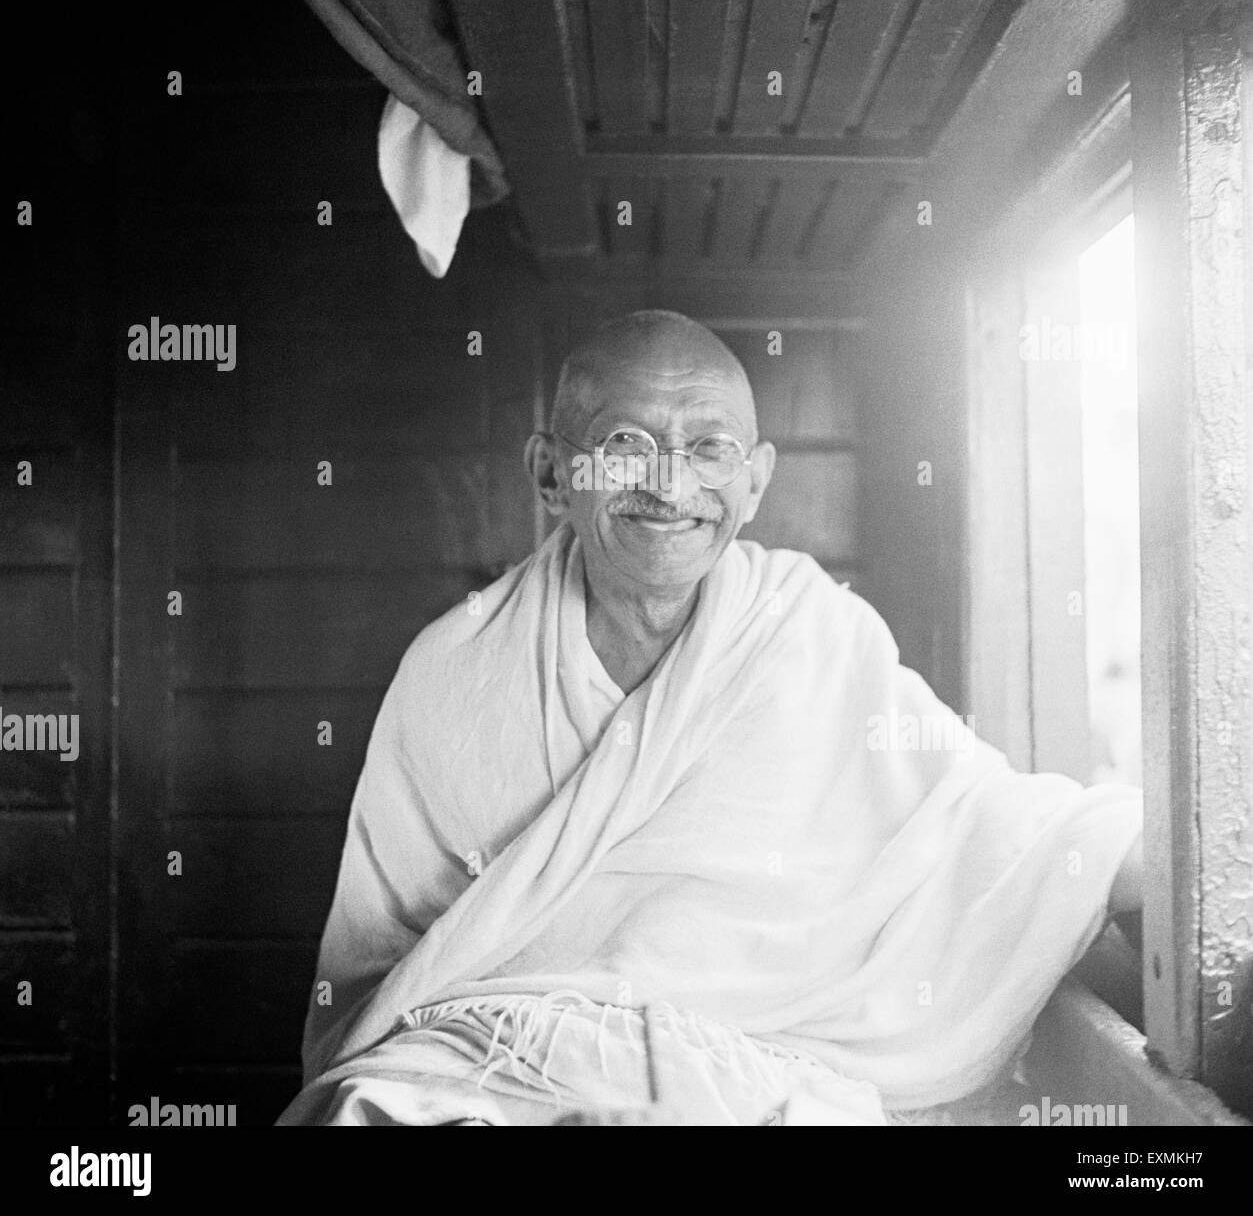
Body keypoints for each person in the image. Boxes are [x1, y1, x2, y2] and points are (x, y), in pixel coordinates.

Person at [277, 310, 1143, 1126]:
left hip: (748, 1058)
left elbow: (978, 822)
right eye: (625, 444)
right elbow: (384, 971)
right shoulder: (455, 666)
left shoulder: (809, 630)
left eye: (709, 448)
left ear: (755, 479)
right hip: (495, 1057)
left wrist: (1123, 853)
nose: (669, 485)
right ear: (550, 473)